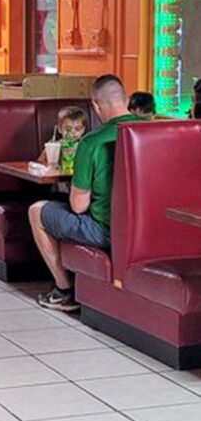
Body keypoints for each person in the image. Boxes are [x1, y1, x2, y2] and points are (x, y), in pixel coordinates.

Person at [28, 75, 147, 313]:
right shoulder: (150, 130)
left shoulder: (91, 142)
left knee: (37, 211)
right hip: (148, 231)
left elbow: (79, 206)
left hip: (107, 231)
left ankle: (64, 291)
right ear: (125, 99)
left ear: (95, 106)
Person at [37, 105, 87, 171]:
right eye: (68, 129)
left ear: (83, 130)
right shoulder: (54, 145)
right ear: (60, 129)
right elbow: (40, 162)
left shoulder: (85, 146)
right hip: (58, 177)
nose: (72, 132)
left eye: (77, 129)